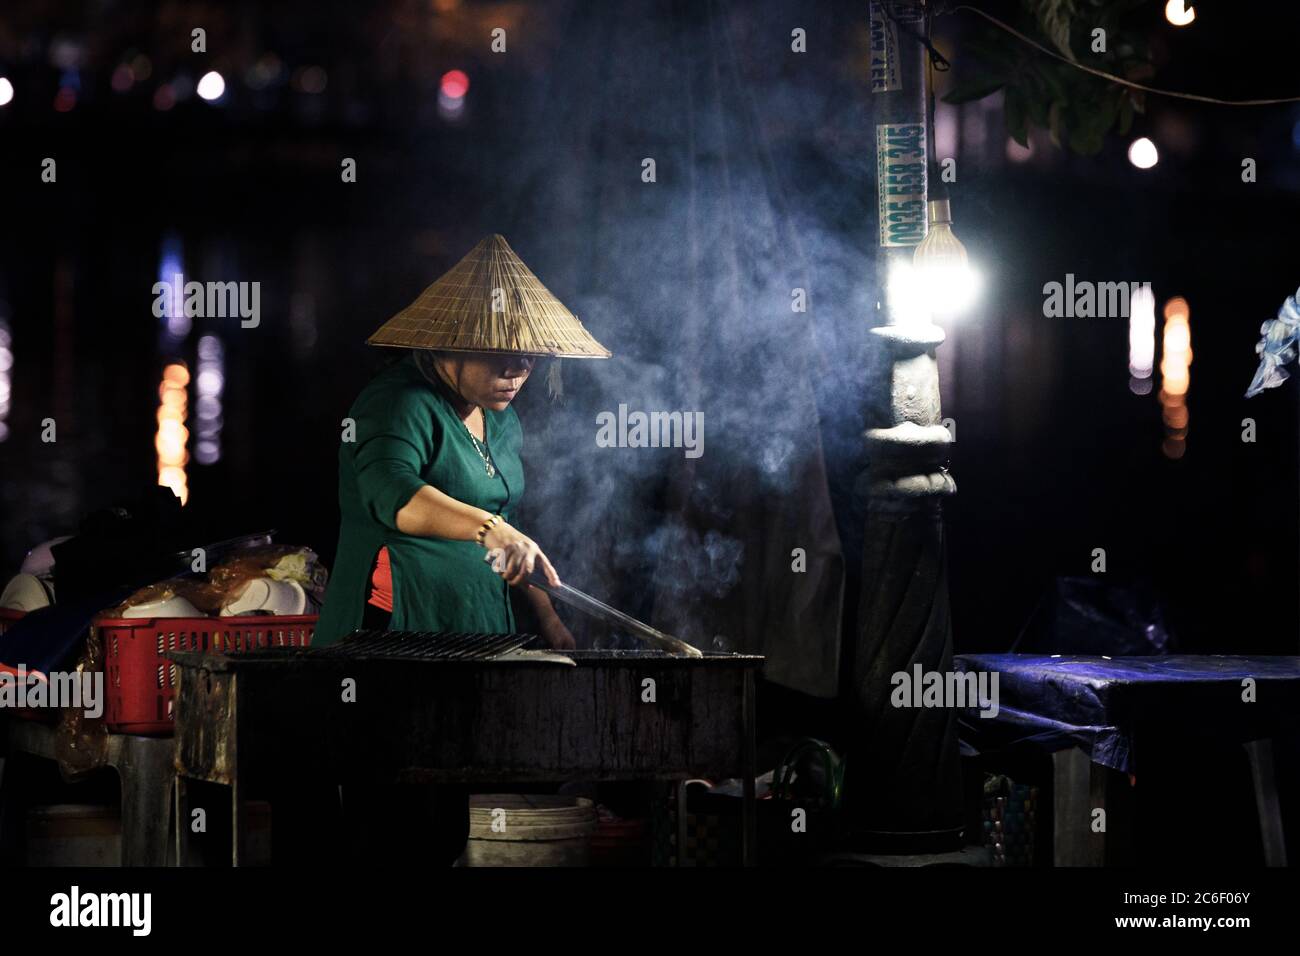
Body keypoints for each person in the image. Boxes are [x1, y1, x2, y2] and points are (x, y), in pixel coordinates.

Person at [290, 234, 611, 865]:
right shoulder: (396, 403)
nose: (517, 373)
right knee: (387, 818)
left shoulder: (499, 417)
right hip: (390, 638)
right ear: (445, 343)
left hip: (470, 638)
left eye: (528, 360)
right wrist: (494, 531)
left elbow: (502, 522)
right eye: (500, 358)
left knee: (445, 822)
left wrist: (545, 613)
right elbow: (395, 496)